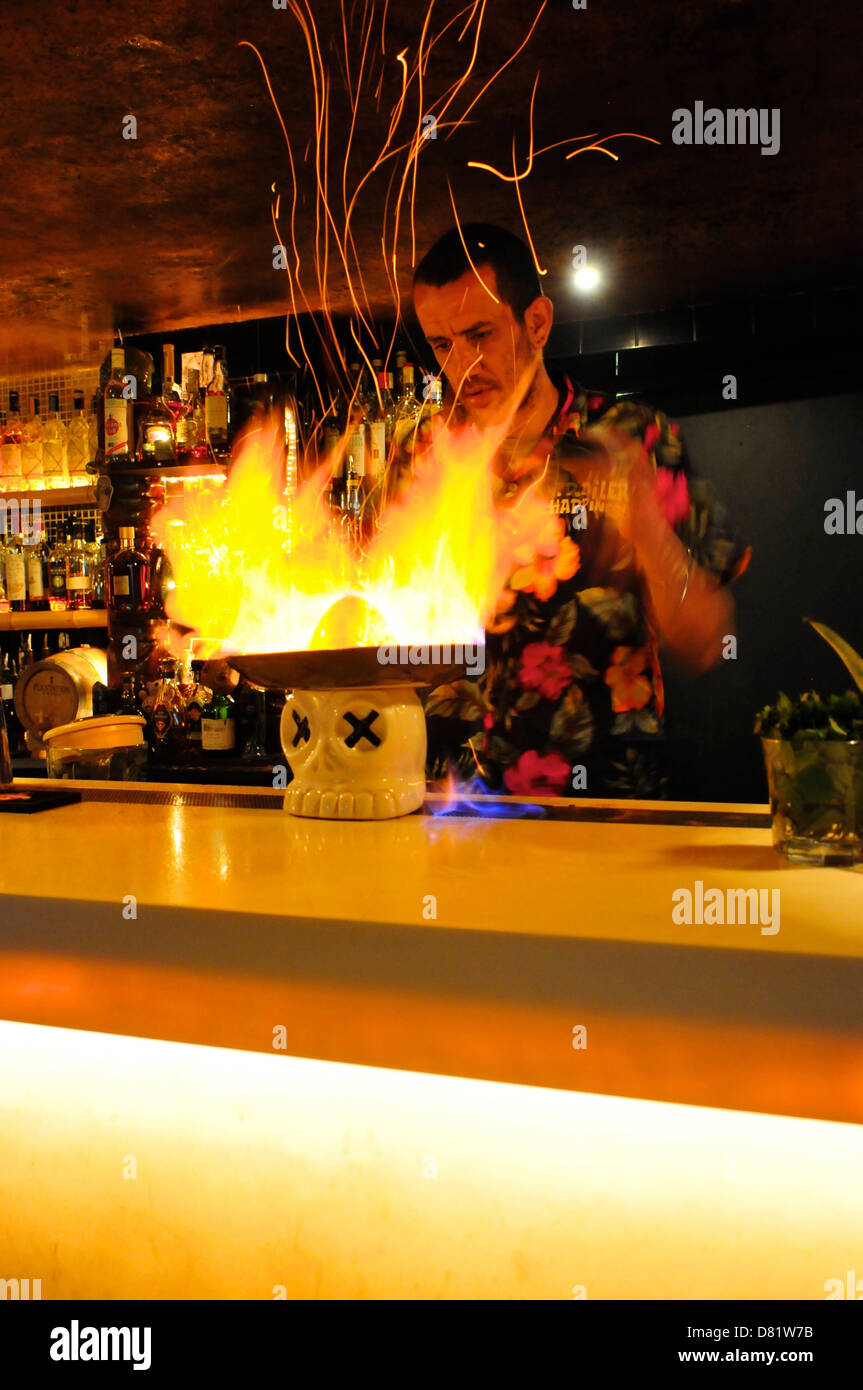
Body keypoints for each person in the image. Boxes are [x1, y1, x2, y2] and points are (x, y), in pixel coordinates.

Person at [405, 223, 751, 799]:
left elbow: (708, 639)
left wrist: (644, 526)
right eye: (442, 345)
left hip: (605, 813)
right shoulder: (419, 457)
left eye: (479, 335)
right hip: (446, 816)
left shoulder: (631, 436)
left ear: (536, 323)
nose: (461, 366)